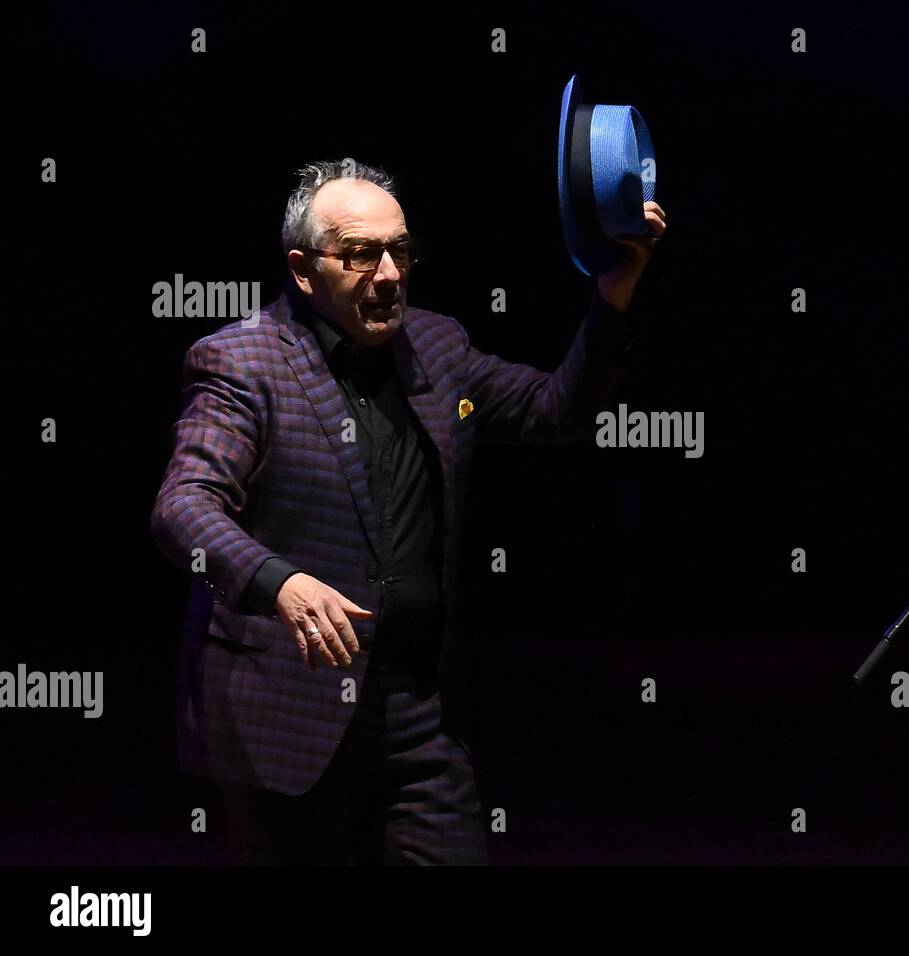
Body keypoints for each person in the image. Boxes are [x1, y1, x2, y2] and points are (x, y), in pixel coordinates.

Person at [150, 160, 666, 864]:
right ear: (303, 270)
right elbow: (185, 505)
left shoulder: (437, 347)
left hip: (420, 717)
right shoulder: (243, 363)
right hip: (286, 720)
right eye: (361, 254)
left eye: (400, 251)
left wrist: (615, 288)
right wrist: (280, 582)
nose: (388, 274)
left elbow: (557, 410)